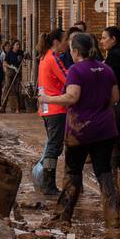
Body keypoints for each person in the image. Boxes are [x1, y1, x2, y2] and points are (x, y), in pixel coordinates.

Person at [38, 32, 120, 226]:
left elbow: (72, 97)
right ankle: (113, 216)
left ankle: (63, 215)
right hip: (106, 128)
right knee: (104, 171)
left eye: (71, 49)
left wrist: (48, 99)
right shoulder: (106, 69)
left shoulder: (76, 70)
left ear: (76, 51)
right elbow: (115, 98)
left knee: (73, 171)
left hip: (80, 130)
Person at [36, 28, 69, 196]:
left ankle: (47, 181)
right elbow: (67, 78)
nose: (67, 44)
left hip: (48, 108)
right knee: (54, 146)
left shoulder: (45, 57)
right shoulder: (53, 59)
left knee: (53, 145)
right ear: (56, 42)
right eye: (65, 40)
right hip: (56, 108)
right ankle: (48, 183)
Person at [100, 26, 120, 167]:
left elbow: (111, 79)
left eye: (104, 38)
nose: (101, 41)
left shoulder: (114, 55)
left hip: (119, 102)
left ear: (113, 39)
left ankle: (119, 167)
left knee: (116, 136)